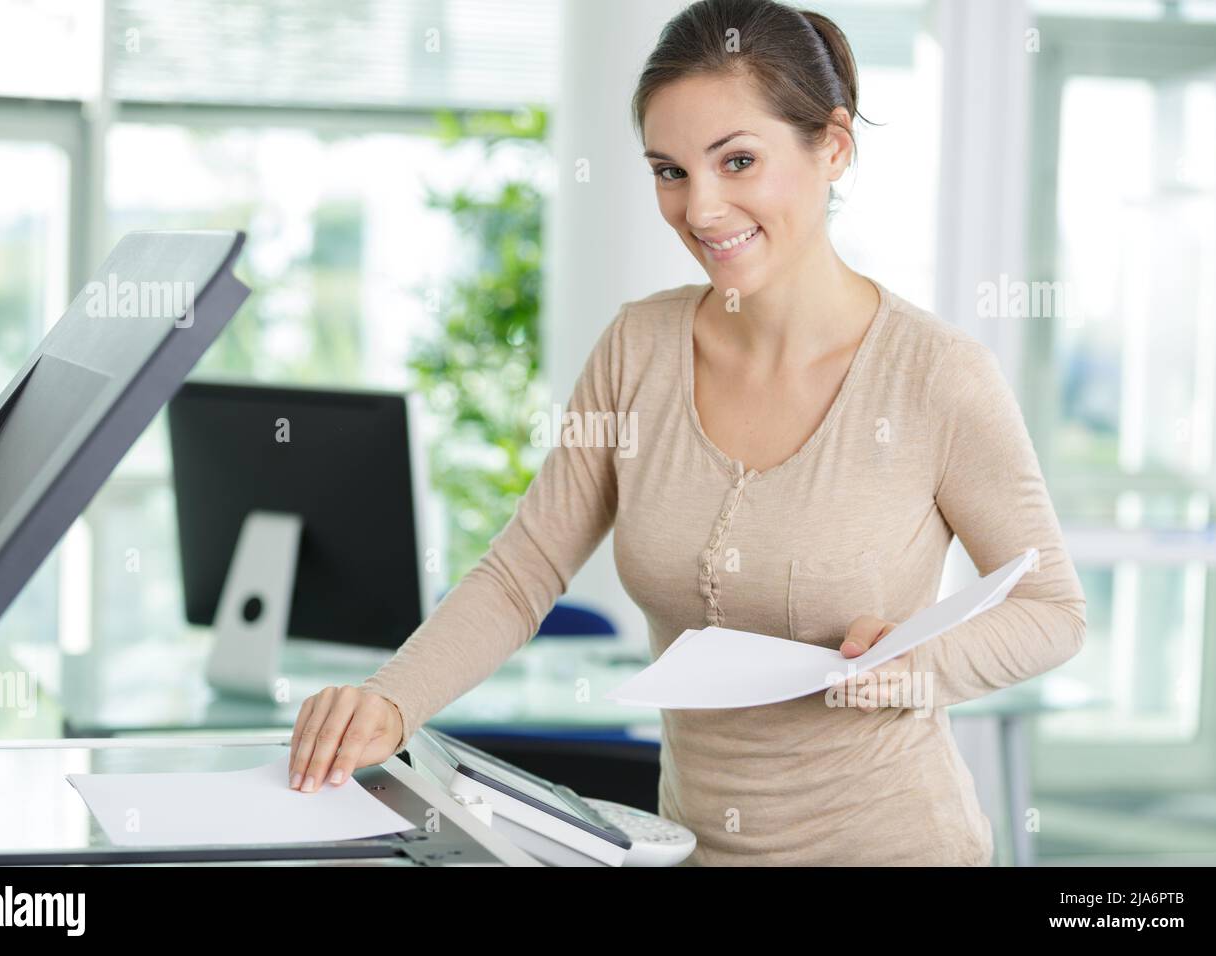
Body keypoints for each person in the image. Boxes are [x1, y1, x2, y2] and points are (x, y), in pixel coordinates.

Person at [286, 0, 1086, 866]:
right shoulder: (639, 347)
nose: (701, 209)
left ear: (833, 147)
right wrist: (390, 701)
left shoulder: (936, 375)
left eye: (738, 161)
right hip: (691, 848)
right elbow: (525, 573)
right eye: (670, 171)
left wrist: (914, 663)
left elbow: (1053, 611)